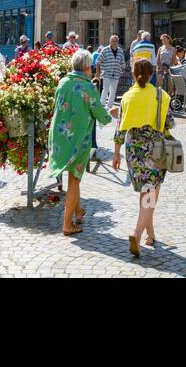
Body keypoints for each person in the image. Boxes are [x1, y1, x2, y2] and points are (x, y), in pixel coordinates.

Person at [47, 50, 113, 237]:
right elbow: (100, 113)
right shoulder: (87, 87)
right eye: (91, 67)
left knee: (73, 176)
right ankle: (68, 224)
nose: (92, 70)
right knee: (74, 179)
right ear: (86, 67)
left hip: (59, 138)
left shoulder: (63, 82)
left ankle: (78, 212)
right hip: (77, 139)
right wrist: (112, 115)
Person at [112, 58, 174, 257]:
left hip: (133, 149)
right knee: (151, 192)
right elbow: (170, 122)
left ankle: (150, 234)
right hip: (155, 148)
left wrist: (116, 154)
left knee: (146, 191)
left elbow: (120, 129)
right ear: (151, 74)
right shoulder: (160, 95)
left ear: (133, 74)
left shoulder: (128, 96)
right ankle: (137, 232)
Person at [97, 35, 126, 108]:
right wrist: (98, 72)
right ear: (110, 41)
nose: (114, 42)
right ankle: (102, 105)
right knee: (105, 89)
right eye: (113, 41)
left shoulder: (120, 51)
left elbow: (122, 61)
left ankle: (109, 106)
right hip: (106, 73)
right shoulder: (105, 50)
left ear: (118, 42)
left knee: (113, 91)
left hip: (116, 73)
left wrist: (123, 70)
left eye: (116, 41)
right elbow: (98, 61)